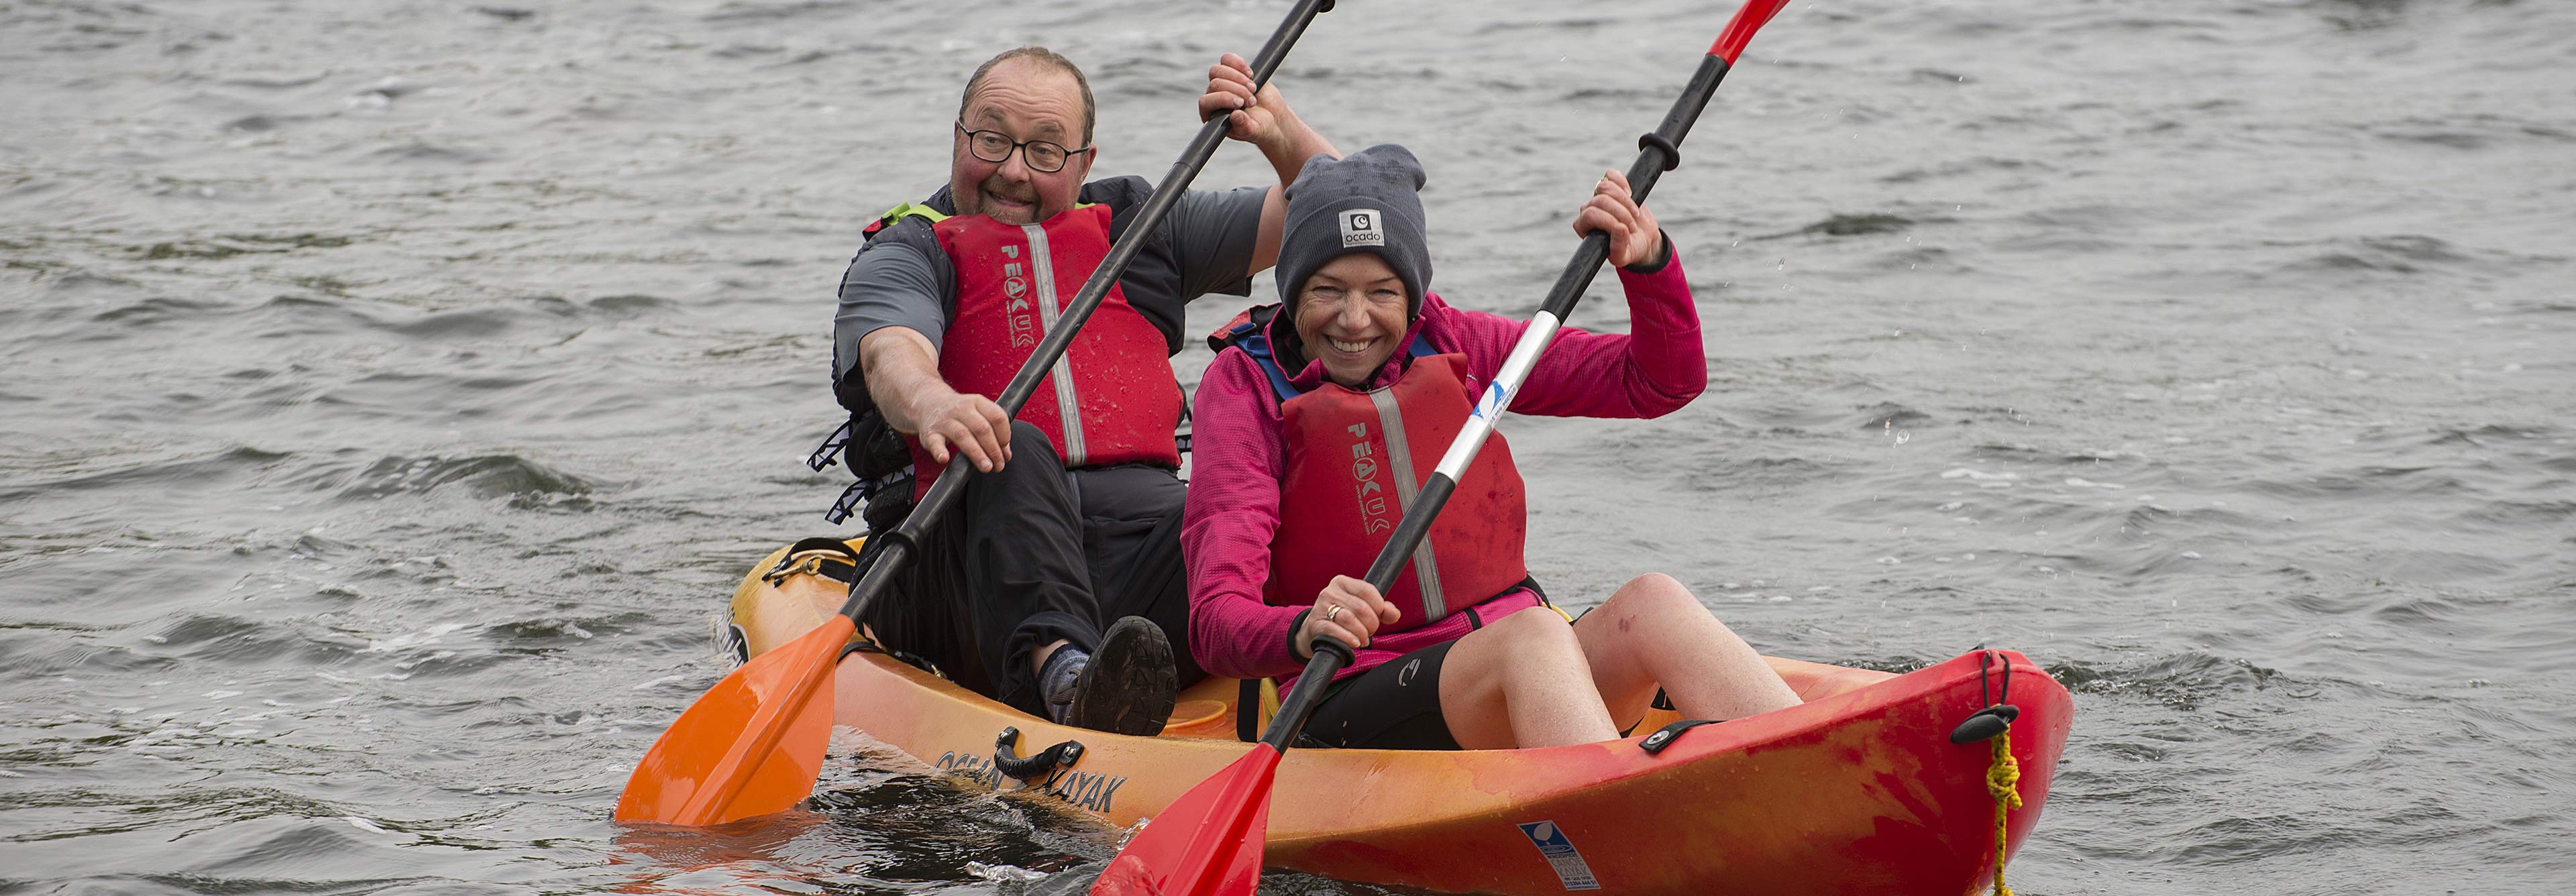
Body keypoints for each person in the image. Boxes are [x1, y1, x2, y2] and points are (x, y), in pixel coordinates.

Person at [1183, 145, 1803, 750]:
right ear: (1292, 290)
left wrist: (1649, 265)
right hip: (1351, 693)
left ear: (1412, 295)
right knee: (1532, 637)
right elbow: (1215, 620)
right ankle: (1617, 828)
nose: (1354, 319)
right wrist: (1301, 628)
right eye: (1327, 290)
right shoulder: (1246, 387)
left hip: (1522, 667)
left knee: (1654, 601)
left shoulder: (1455, 341)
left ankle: (1816, 768)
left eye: (1382, 292)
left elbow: (1661, 382)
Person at [818, 46, 1340, 736]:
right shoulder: (909, 250)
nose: (1011, 170)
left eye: (1043, 151)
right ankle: (1064, 676)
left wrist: (1281, 138)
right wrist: (937, 404)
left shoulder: (1139, 227)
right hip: (969, 570)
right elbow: (892, 355)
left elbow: (1331, 215)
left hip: (1141, 565)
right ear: (958, 137)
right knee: (1013, 442)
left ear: (1084, 163)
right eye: (992, 139)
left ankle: (1348, 677)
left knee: (1260, 492)